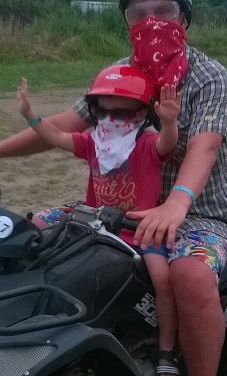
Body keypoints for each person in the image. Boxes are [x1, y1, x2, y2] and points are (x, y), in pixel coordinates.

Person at [0, 0, 227, 376]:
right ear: (127, 24)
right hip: (115, 206)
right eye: (138, 14)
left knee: (190, 276)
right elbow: (64, 126)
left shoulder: (209, 77)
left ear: (184, 19)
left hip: (195, 211)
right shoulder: (119, 74)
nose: (151, 21)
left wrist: (176, 203)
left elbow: (204, 145)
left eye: (163, 11)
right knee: (31, 232)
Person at [17, 67, 183, 376]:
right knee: (38, 225)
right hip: (94, 220)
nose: (109, 119)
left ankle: (166, 349)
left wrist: (170, 121)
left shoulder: (146, 143)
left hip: (138, 227)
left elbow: (167, 144)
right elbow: (57, 137)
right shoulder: (96, 142)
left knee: (163, 278)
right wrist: (30, 115)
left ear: (142, 113)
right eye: (102, 111)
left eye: (120, 112)